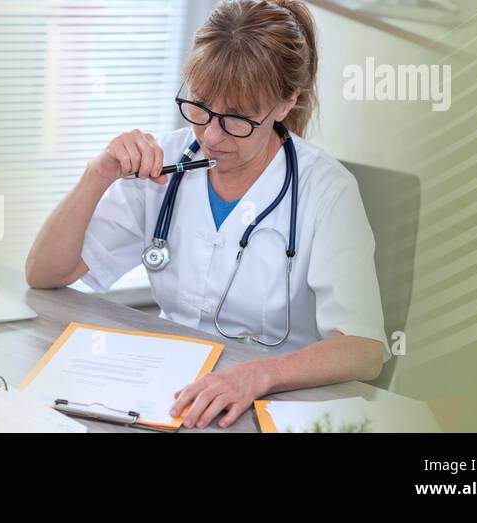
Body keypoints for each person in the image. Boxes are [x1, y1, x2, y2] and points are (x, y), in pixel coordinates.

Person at [24, 0, 388, 430]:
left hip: (269, 403)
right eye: (200, 107)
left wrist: (260, 374)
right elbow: (45, 275)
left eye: (237, 119)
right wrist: (95, 176)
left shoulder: (326, 189)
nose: (211, 135)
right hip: (166, 392)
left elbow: (365, 349)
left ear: (285, 104)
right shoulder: (167, 162)